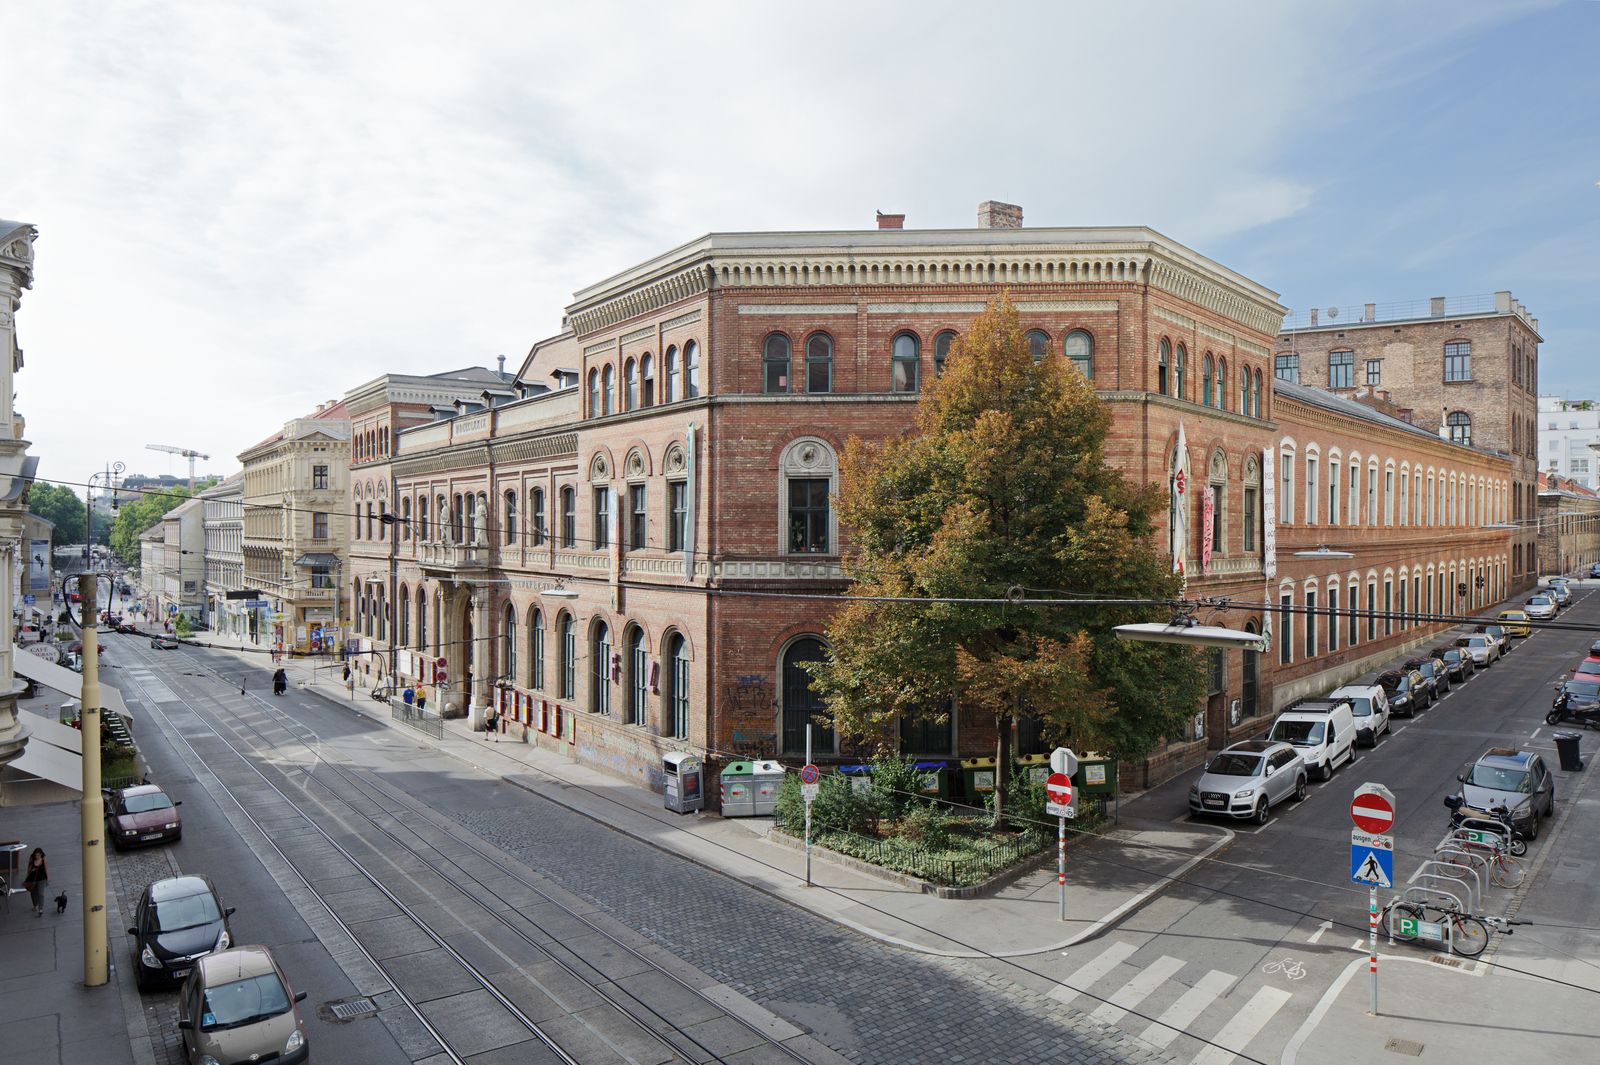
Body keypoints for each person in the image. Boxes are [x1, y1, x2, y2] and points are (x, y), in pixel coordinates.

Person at [23, 848, 48, 917]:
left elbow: (46, 869)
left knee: (41, 894)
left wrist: (47, 879)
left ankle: (41, 909)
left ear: (41, 855)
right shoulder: (31, 858)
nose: (37, 856)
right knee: (33, 894)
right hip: (33, 879)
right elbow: (28, 869)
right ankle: (35, 905)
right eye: (36, 855)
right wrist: (28, 876)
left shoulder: (44, 859)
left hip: (42, 879)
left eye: (38, 855)